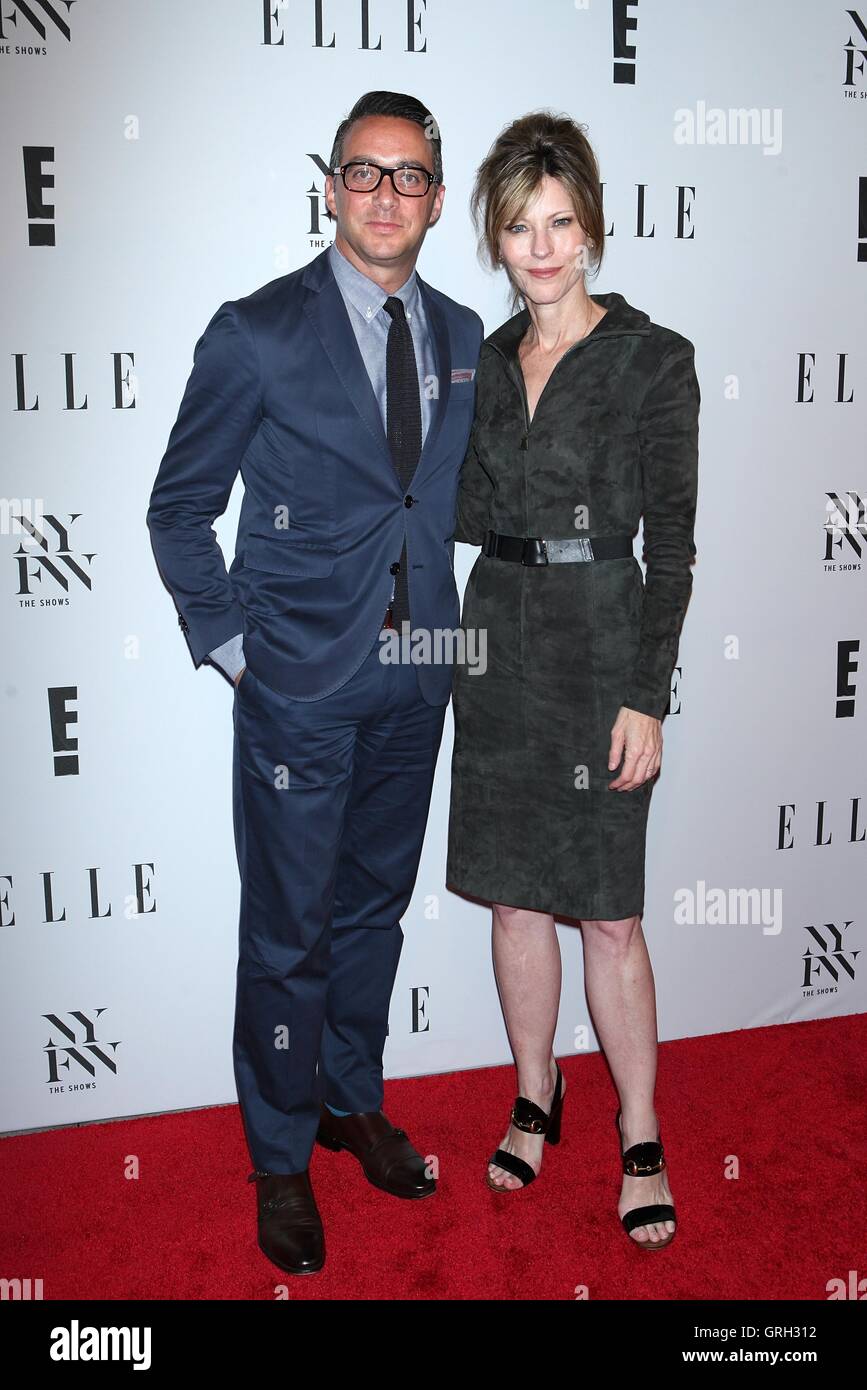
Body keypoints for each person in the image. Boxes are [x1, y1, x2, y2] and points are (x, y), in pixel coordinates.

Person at [147, 90, 483, 1276]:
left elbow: (444, 506)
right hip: (299, 685)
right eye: (364, 172)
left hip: (415, 676)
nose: (386, 195)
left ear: (437, 199)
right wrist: (244, 657)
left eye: (410, 177)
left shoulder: (460, 333)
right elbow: (179, 510)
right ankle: (280, 1155)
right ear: (329, 186)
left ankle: (350, 1100)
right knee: (287, 932)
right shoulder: (257, 331)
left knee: (371, 912)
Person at [446, 111, 700, 1249]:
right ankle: (535, 1093)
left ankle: (639, 1128)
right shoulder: (484, 366)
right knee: (511, 900)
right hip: (496, 644)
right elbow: (452, 514)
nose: (541, 247)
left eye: (559, 223)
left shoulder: (655, 357)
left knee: (608, 916)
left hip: (603, 648)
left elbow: (676, 547)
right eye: (518, 227)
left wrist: (648, 691)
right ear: (495, 239)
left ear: (592, 225)